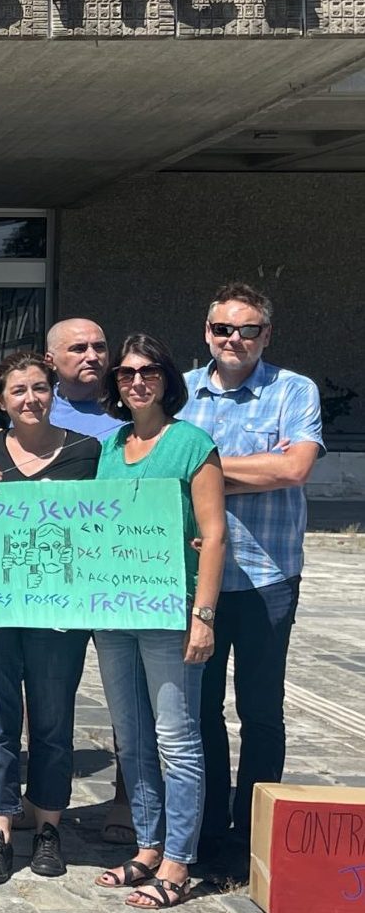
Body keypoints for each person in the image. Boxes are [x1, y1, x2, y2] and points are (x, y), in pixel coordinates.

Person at [178, 282, 322, 870]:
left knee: (260, 710)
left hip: (267, 576)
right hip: (198, 580)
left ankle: (255, 837)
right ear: (207, 332)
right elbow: (160, 466)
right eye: (221, 329)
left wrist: (202, 471)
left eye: (247, 329)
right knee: (201, 710)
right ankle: (211, 832)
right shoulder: (182, 390)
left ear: (266, 334)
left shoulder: (294, 389)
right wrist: (244, 471)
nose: (232, 339)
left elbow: (294, 467)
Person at [0, 350, 100, 885]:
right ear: (0, 401)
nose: (30, 399)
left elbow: (102, 530)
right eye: (18, 391)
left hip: (59, 608)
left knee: (53, 720)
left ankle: (48, 828)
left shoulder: (87, 452)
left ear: (53, 392)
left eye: (39, 388)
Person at [94, 333, 226, 910]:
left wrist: (204, 615)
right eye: (126, 374)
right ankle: (147, 847)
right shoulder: (110, 446)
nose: (137, 382)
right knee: (133, 738)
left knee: (177, 740)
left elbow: (215, 533)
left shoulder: (193, 444)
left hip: (172, 613)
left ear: (167, 379)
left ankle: (177, 861)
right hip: (114, 613)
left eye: (148, 372)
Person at [46, 316, 135, 844]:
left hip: (119, 571)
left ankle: (127, 801)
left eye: (100, 346)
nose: (92, 355)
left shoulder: (133, 408)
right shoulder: (31, 407)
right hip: (56, 579)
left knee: (128, 696)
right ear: (52, 357)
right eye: (77, 347)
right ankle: (45, 804)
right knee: (51, 698)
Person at [48, 319, 124, 440]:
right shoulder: (36, 411)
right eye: (79, 349)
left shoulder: (131, 404)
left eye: (99, 347)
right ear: (50, 361)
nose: (92, 357)